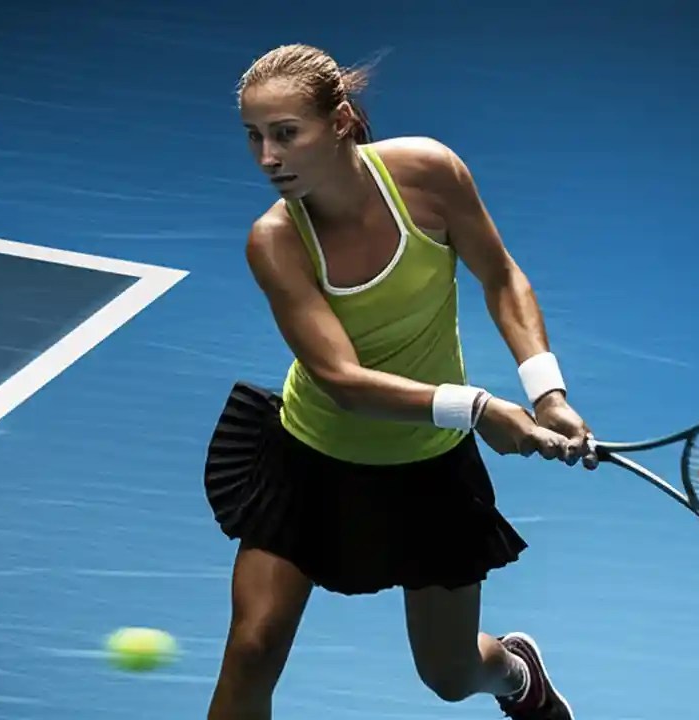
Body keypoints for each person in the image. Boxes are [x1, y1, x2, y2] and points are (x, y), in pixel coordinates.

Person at [202, 43, 598, 720]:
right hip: (309, 460)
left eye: (285, 134)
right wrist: (479, 408)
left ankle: (517, 675)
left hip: (429, 471)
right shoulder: (275, 240)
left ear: (342, 122)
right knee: (251, 650)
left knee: (450, 673)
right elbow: (343, 381)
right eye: (254, 137)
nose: (267, 158)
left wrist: (547, 393)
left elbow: (499, 274)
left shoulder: (428, 174)